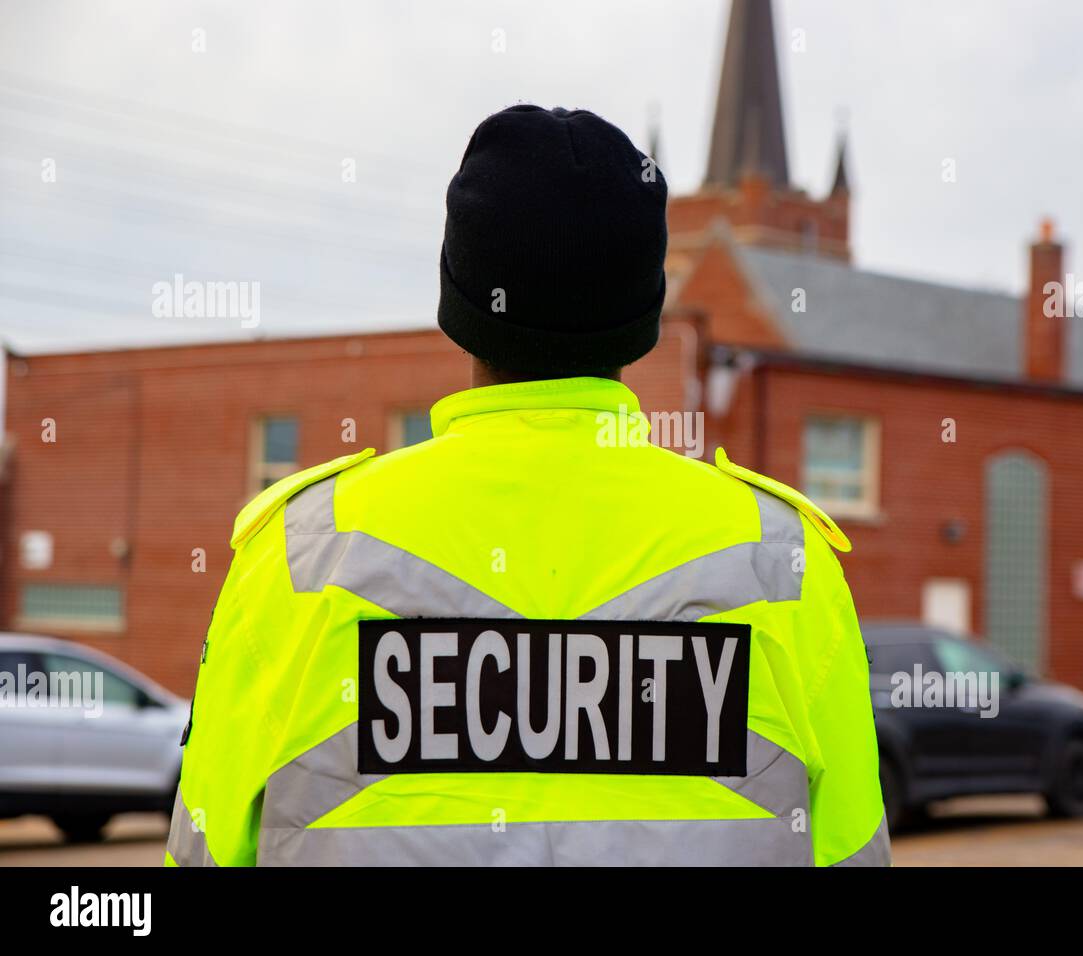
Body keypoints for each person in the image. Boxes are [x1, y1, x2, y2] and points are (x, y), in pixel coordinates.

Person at [166, 104, 889, 866]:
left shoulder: (298, 556)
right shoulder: (783, 562)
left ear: (458, 305)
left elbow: (203, 854)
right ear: (644, 315)